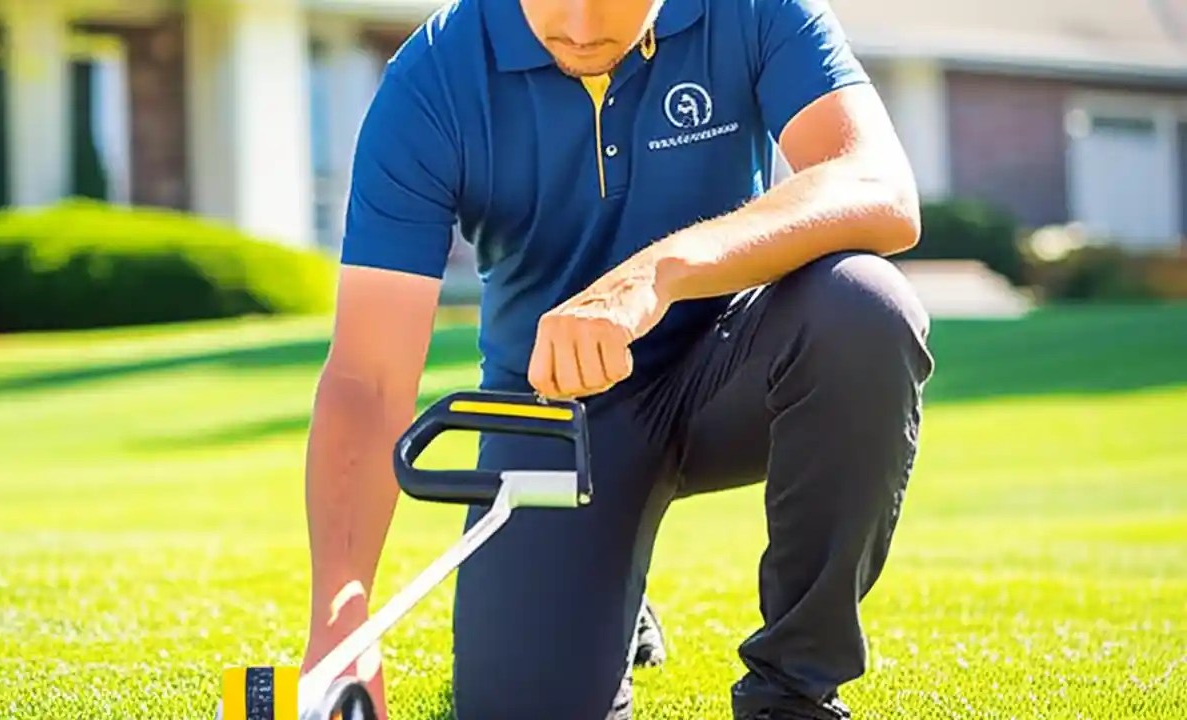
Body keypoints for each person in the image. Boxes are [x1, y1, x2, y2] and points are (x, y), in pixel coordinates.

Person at [299, 0, 935, 717]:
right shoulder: (433, 79)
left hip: (736, 371)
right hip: (553, 416)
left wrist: (658, 273)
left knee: (866, 307)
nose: (578, 24)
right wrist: (340, 611)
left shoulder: (756, 11)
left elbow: (879, 185)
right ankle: (604, 577)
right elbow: (369, 375)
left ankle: (794, 691)